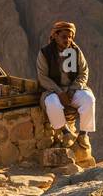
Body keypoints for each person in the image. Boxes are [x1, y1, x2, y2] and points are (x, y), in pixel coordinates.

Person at [36, 20, 96, 166]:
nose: (67, 40)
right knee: (52, 103)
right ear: (55, 36)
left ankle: (83, 135)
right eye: (64, 36)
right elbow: (42, 77)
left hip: (72, 89)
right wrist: (59, 91)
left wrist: (73, 89)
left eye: (70, 37)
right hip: (52, 90)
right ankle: (66, 132)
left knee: (88, 99)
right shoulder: (45, 53)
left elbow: (84, 72)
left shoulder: (75, 51)